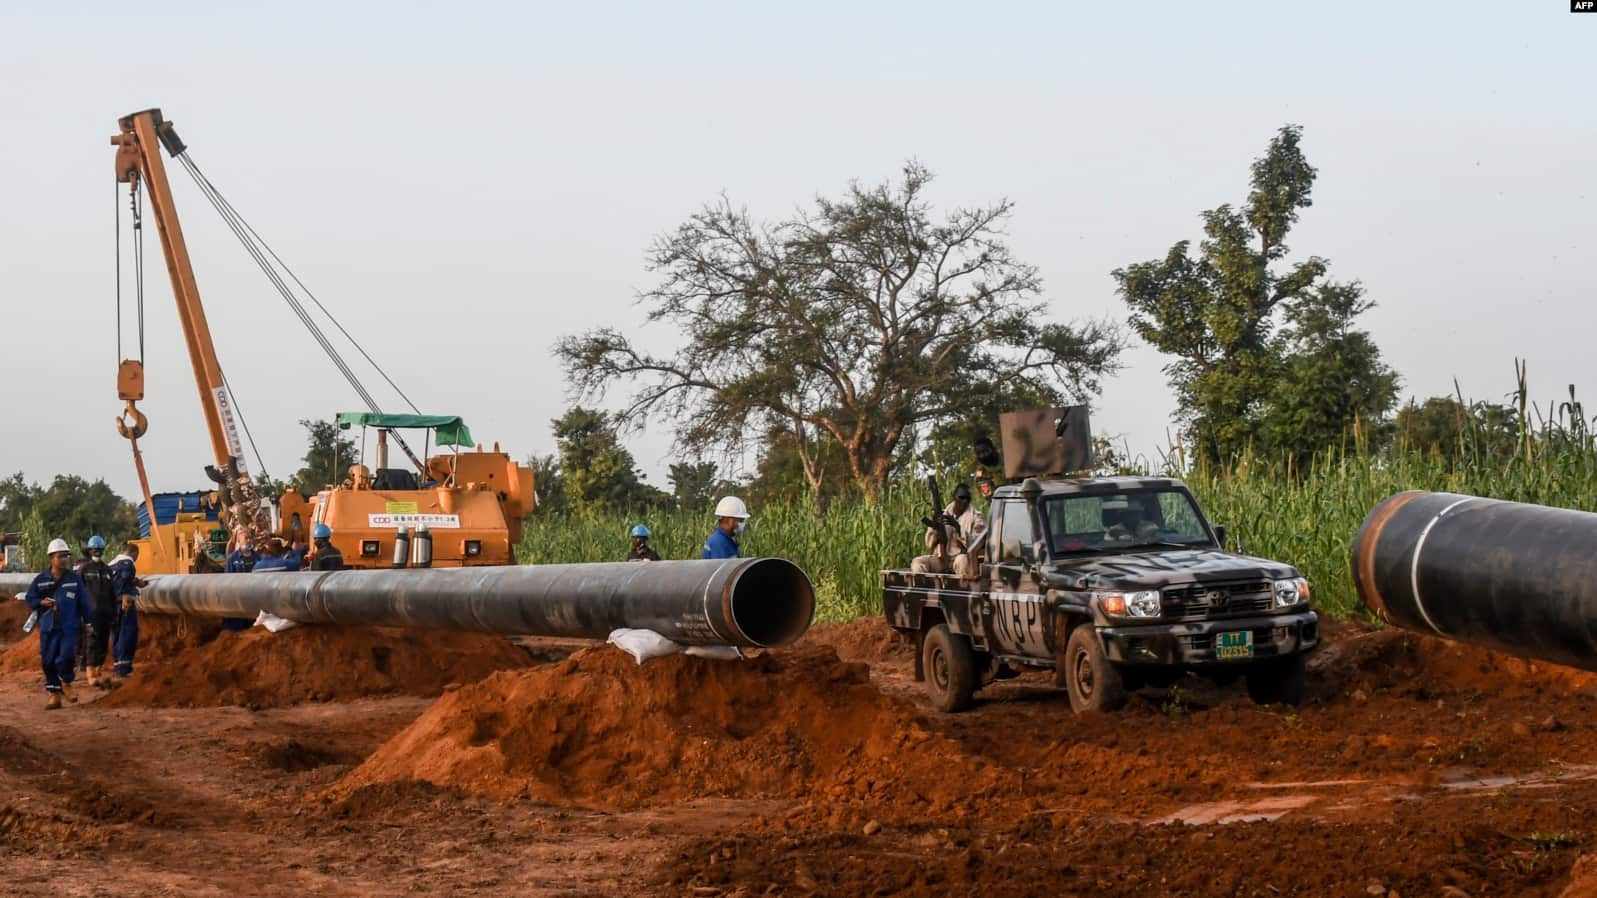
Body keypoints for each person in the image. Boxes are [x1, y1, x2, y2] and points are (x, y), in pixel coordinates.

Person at [24, 538, 91, 709]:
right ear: (51, 558)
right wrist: (40, 602)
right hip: (48, 627)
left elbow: (84, 602)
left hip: (69, 627)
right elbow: (30, 597)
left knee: (67, 657)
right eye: (60, 556)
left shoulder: (74, 579)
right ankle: (54, 694)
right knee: (48, 660)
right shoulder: (41, 580)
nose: (64, 559)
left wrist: (89, 622)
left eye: (66, 556)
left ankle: (66, 683)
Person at [911, 483, 986, 578]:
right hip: (940, 559)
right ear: (954, 497)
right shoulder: (942, 514)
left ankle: (963, 590)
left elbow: (978, 542)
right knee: (918, 562)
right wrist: (935, 530)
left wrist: (958, 527)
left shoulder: (977, 517)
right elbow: (929, 544)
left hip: (960, 559)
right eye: (961, 498)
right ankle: (923, 590)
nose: (964, 501)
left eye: (968, 498)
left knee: (962, 560)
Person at [75, 535, 117, 688]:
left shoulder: (107, 570)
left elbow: (112, 593)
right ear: (90, 550)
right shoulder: (84, 570)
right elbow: (78, 591)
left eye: (99, 550)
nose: (97, 552)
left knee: (103, 643)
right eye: (94, 550)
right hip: (90, 613)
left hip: (105, 613)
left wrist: (114, 613)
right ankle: (90, 674)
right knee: (92, 642)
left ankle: (98, 670)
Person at [108, 541, 147, 678]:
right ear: (134, 553)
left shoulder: (111, 564)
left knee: (117, 633)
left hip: (112, 605)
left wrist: (137, 582)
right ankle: (124, 667)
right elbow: (124, 578)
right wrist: (125, 594)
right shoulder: (128, 563)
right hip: (124, 604)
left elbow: (119, 579)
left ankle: (118, 663)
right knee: (128, 632)